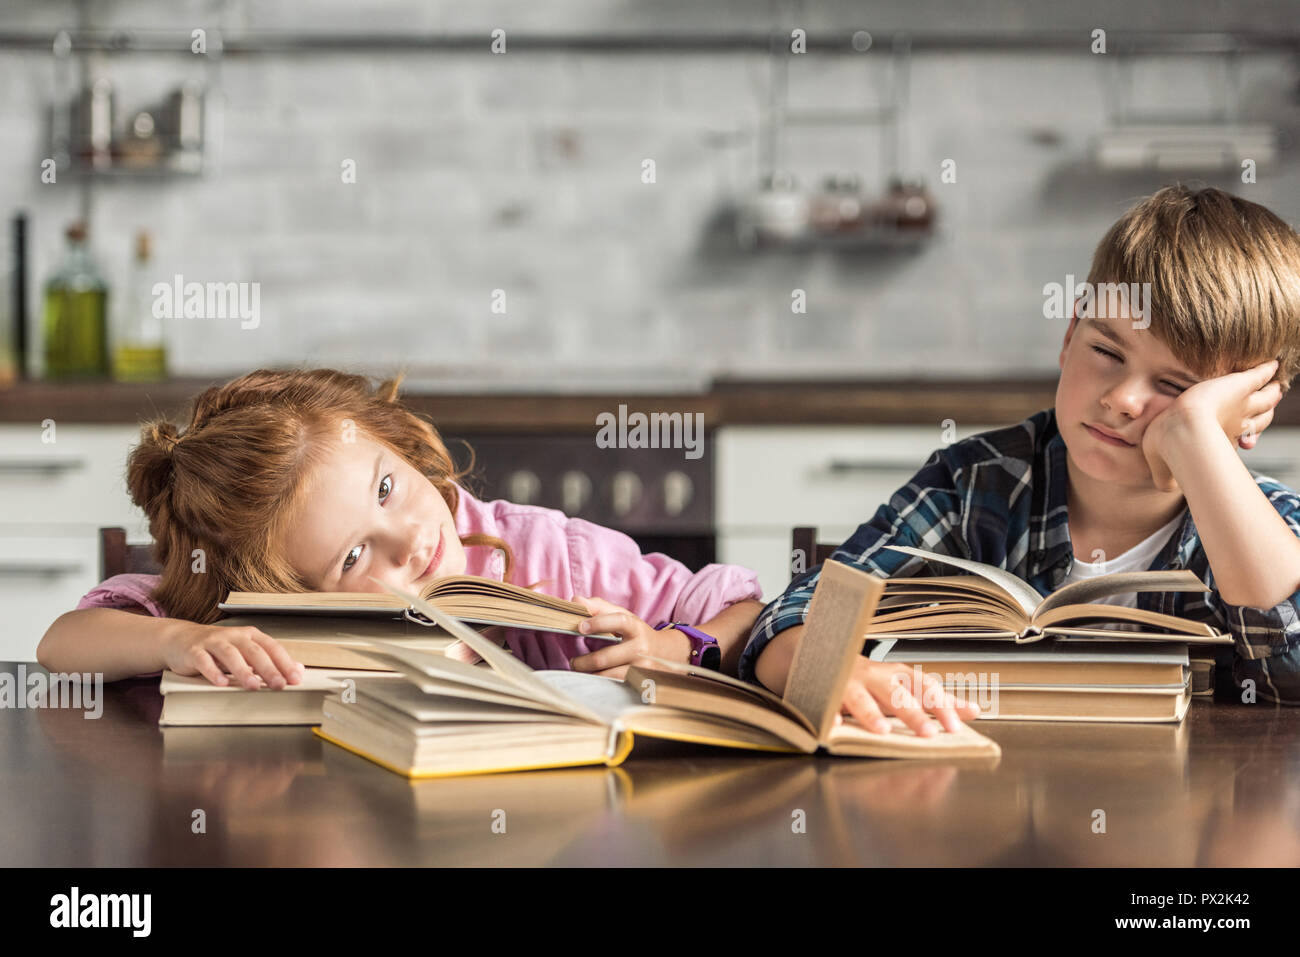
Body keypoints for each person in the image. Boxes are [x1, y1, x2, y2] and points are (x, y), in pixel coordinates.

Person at [743, 184, 1300, 733]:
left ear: (1248, 413)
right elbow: (793, 615)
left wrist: (1196, 436)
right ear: (1069, 335)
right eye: (1106, 351)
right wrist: (827, 669)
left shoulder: (1271, 525)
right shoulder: (976, 483)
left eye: (1177, 389)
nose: (1121, 399)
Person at [37, 368, 763, 687]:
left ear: (393, 440)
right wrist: (180, 639)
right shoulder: (250, 614)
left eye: (386, 486)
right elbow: (61, 644)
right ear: (290, 598)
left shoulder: (553, 557)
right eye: (354, 555)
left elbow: (741, 611)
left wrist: (674, 644)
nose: (409, 539)